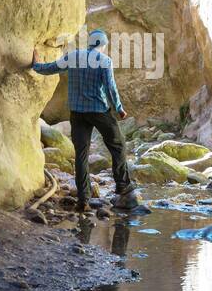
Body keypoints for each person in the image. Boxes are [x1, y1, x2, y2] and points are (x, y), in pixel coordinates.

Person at [30, 29, 135, 210]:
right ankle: (123, 187)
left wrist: (36, 65)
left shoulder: (73, 56)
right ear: (102, 45)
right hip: (99, 111)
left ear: (89, 43)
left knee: (81, 155)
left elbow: (51, 68)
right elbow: (110, 89)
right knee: (118, 146)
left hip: (77, 114)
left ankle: (83, 200)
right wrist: (119, 109)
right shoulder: (104, 61)